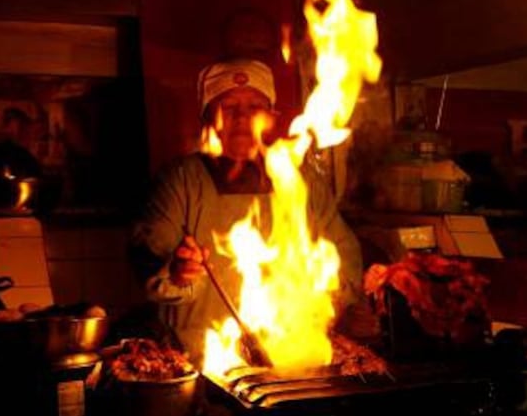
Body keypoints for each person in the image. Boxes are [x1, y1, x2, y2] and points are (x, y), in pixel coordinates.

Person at [129, 58, 367, 361]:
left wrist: (327, 305)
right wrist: (180, 274)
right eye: (229, 108)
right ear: (207, 116)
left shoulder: (299, 179)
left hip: (289, 357)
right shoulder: (180, 180)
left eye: (254, 107)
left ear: (270, 115)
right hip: (200, 358)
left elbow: (344, 256)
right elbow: (147, 260)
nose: (242, 118)